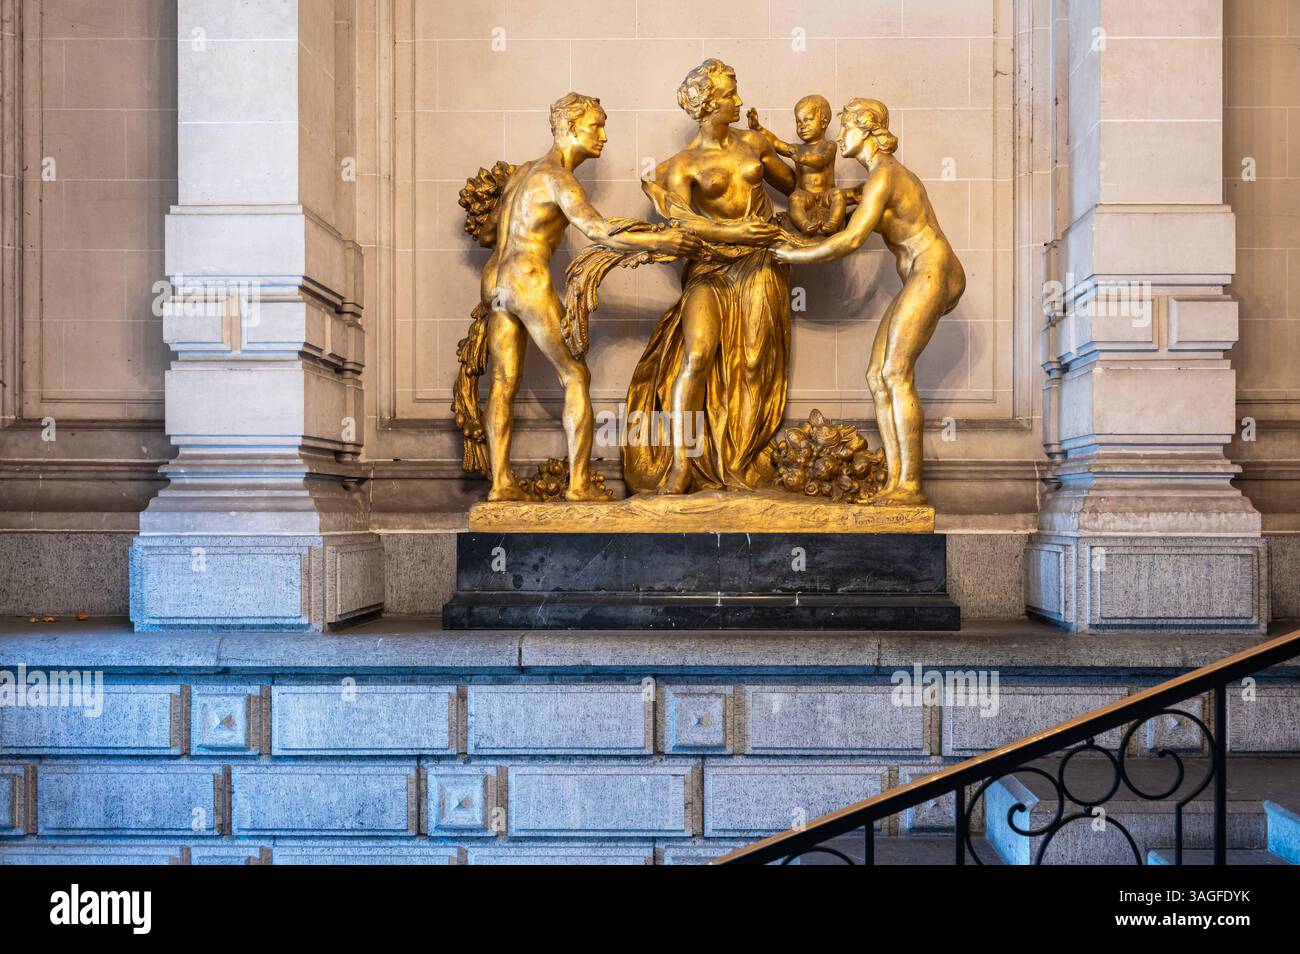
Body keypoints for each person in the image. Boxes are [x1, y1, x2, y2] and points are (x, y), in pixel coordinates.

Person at [480, 92, 701, 501]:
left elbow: (489, 232)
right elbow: (597, 231)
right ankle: (579, 484)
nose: (603, 135)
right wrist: (663, 239)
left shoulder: (522, 174)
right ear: (568, 128)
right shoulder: (558, 177)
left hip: (495, 281)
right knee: (575, 374)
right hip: (527, 278)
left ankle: (500, 484)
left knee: (502, 381)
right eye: (595, 126)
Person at [775, 98, 965, 506]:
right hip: (921, 272)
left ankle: (911, 485)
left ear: (865, 131)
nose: (839, 136)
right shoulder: (877, 179)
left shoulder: (886, 175)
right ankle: (897, 483)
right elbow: (838, 216)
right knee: (878, 375)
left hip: (935, 270)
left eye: (844, 128)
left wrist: (791, 255)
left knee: (895, 373)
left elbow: (850, 240)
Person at [624, 59, 796, 495]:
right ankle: (683, 462)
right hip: (709, 266)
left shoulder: (755, 144)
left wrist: (817, 162)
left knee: (756, 363)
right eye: (729, 95)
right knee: (697, 355)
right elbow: (681, 223)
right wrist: (731, 230)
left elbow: (796, 188)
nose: (738, 101)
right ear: (707, 104)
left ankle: (738, 458)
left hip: (759, 263)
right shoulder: (680, 166)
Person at [747, 94, 849, 235]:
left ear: (823, 122)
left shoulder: (829, 146)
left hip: (826, 193)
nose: (802, 126)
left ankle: (833, 223)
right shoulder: (797, 148)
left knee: (838, 195)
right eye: (798, 122)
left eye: (808, 120)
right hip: (805, 194)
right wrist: (758, 128)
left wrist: (801, 159)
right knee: (795, 198)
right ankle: (805, 224)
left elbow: (821, 160)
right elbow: (776, 143)